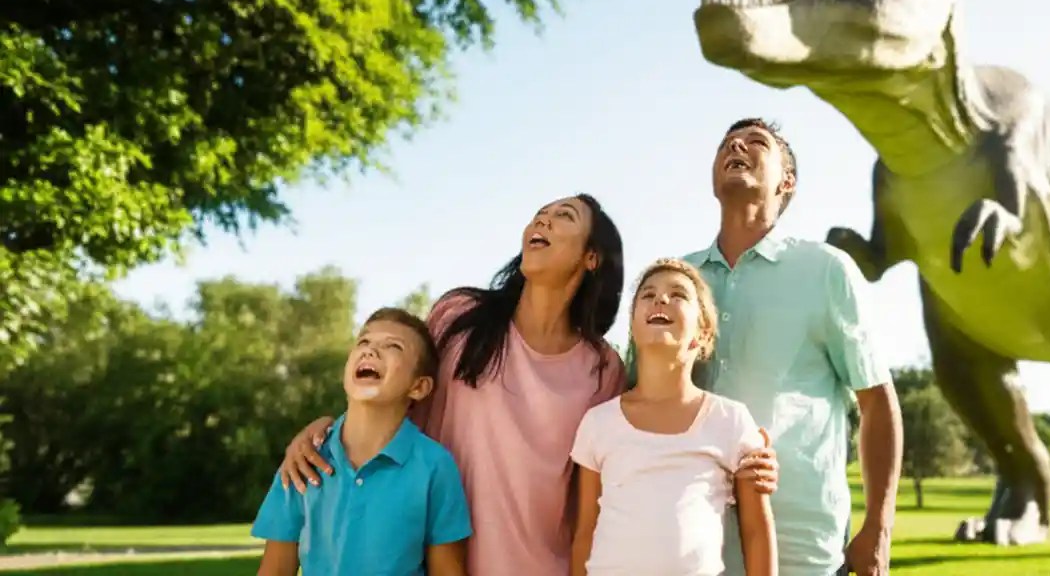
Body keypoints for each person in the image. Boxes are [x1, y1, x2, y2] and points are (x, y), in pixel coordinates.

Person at [275, 194, 780, 576]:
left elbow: (622, 468)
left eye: (564, 217)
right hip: (438, 561)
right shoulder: (459, 317)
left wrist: (748, 458)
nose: (543, 220)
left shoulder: (601, 369)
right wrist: (325, 429)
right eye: (540, 213)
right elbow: (394, 394)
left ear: (591, 258)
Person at [687, 118, 904, 576]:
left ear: (786, 181)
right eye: (727, 142)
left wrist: (878, 528)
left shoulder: (826, 270)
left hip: (803, 542)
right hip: (689, 537)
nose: (737, 145)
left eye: (755, 142)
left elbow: (877, 402)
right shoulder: (678, 281)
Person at [571, 258, 777, 576]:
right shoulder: (598, 423)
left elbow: (756, 532)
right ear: (634, 328)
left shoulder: (731, 420)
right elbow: (585, 532)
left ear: (703, 335)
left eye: (678, 294)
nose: (660, 299)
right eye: (647, 294)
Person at [251, 307, 471, 576]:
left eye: (393, 346)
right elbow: (275, 569)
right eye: (364, 342)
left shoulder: (435, 467)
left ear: (419, 387)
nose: (370, 350)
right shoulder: (303, 460)